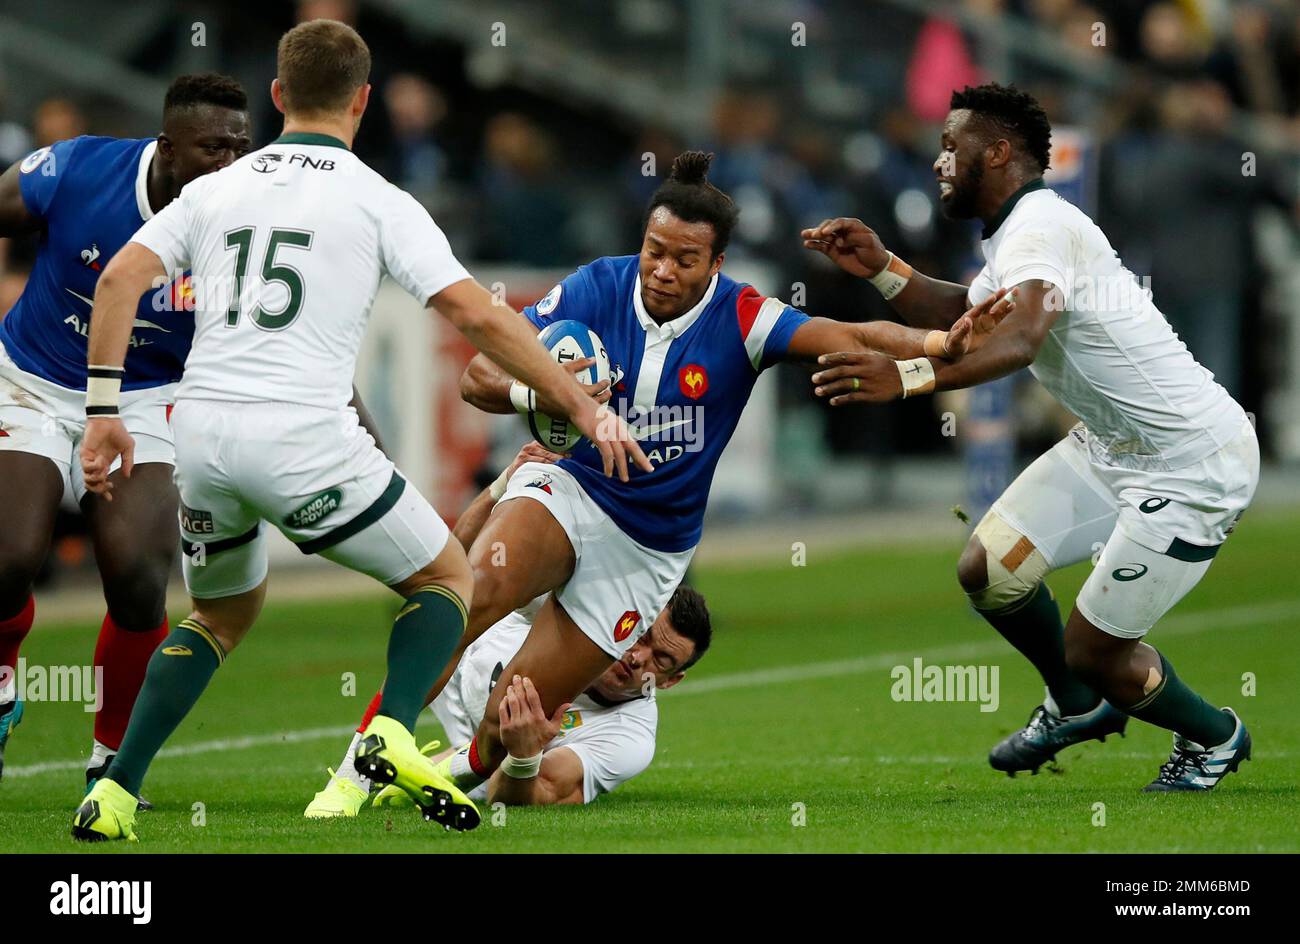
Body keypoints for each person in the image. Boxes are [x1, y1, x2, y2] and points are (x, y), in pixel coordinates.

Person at [70, 18, 646, 843]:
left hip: (199, 435)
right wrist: (581, 405)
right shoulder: (380, 199)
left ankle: (115, 789)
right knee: (447, 582)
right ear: (365, 101)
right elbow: (472, 312)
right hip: (302, 437)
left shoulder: (214, 189)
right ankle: (390, 732)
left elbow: (122, 276)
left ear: (276, 96)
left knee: (218, 617)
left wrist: (100, 415)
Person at [425, 150, 1014, 804]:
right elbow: (480, 376)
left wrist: (935, 346)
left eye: (684, 260)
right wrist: (550, 399)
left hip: (647, 542)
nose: (663, 270)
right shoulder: (597, 286)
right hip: (575, 491)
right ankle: (364, 759)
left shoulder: (745, 319)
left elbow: (849, 333)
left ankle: (446, 776)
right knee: (465, 599)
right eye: (655, 251)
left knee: (514, 715)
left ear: (716, 265)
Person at [803, 83, 1258, 792]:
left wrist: (910, 378)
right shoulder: (1023, 230)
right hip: (1116, 448)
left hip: (1191, 464)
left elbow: (1017, 340)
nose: (940, 162)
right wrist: (885, 269)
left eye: (953, 146)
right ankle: (1076, 705)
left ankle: (1216, 737)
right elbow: (973, 312)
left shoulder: (1042, 226)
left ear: (1001, 151)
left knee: (1095, 650)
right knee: (989, 570)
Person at [0, 75, 252, 791]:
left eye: (240, 147)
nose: (229, 165)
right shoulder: (82, 169)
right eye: (212, 149)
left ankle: (109, 757)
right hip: (33, 379)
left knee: (139, 576)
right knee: (8, 555)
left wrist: (351, 414)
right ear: (167, 148)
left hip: (151, 398)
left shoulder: (245, 227)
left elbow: (293, 330)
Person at [305, 444, 712, 816]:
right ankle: (350, 779)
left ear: (672, 681)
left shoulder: (631, 738)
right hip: (447, 672)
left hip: (484, 758)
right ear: (634, 614)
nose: (637, 658)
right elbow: (451, 569)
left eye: (660, 660)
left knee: (492, 765)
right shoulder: (577, 598)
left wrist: (524, 758)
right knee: (449, 608)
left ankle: (444, 768)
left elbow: (542, 792)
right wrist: (501, 486)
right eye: (641, 637)